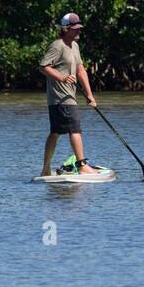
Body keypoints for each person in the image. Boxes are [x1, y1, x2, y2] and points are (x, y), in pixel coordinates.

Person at [39, 13, 99, 176]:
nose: (78, 31)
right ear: (65, 29)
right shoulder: (57, 46)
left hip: (69, 96)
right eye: (74, 29)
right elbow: (43, 67)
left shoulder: (75, 46)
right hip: (60, 97)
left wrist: (89, 94)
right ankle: (82, 165)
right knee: (75, 129)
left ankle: (45, 169)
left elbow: (80, 70)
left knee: (55, 132)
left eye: (79, 28)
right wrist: (62, 78)